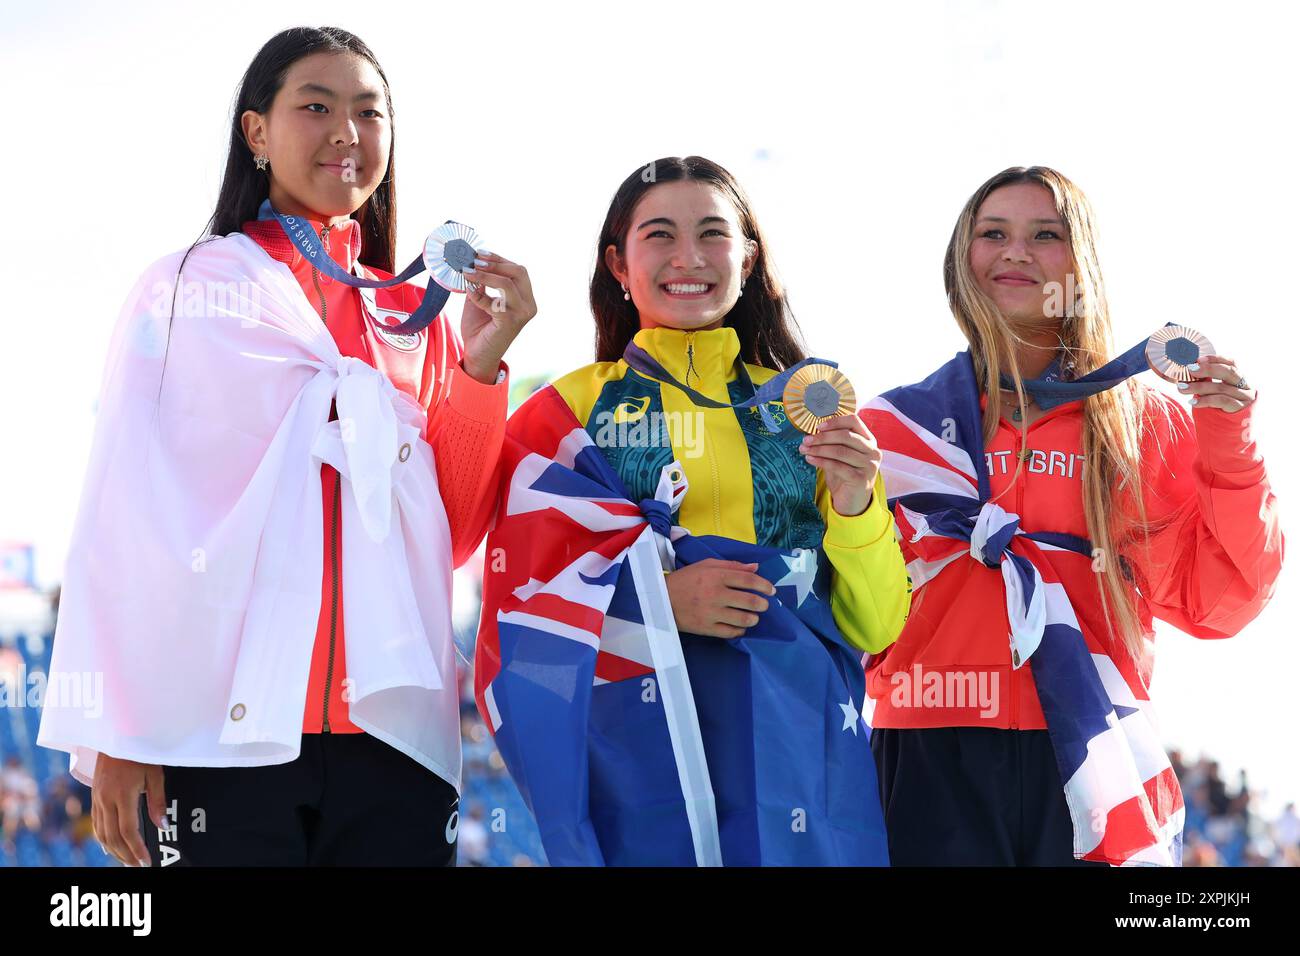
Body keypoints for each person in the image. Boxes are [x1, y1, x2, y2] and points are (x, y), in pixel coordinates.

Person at [37, 26, 536, 866]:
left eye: (369, 113)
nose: (346, 131)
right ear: (257, 132)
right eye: (316, 106)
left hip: (394, 735)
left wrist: (482, 368)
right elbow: (127, 512)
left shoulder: (414, 316)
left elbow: (446, 537)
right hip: (221, 732)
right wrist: (122, 727)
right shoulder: (191, 286)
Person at [474, 156, 911, 865]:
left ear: (748, 257)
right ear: (618, 263)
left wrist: (859, 504)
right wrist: (655, 601)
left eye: (713, 234)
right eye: (659, 236)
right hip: (637, 757)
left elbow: (877, 622)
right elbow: (514, 610)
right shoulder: (563, 415)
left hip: (797, 749)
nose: (689, 258)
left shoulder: (806, 411)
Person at [861, 166, 1283, 866]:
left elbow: (1221, 602)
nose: (1016, 252)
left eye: (1044, 236)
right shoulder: (895, 428)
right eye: (992, 233)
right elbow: (852, 603)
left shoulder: (1138, 426)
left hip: (1092, 747)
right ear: (960, 260)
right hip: (931, 749)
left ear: (1079, 264)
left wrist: (1229, 444)